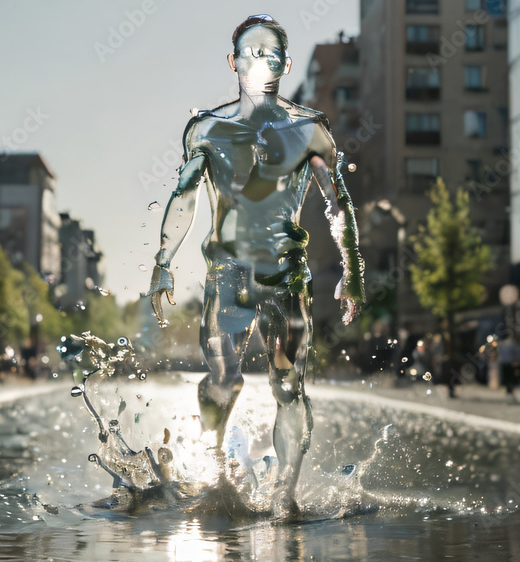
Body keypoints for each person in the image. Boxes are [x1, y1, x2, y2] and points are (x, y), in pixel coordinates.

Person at [145, 14, 366, 515]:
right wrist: (163, 261)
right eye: (250, 52)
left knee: (289, 384)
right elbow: (184, 199)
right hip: (227, 277)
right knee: (222, 378)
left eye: (270, 54)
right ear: (233, 62)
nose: (260, 62)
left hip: (287, 278)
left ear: (286, 64)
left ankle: (284, 494)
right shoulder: (208, 130)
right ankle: (215, 476)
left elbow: (339, 203)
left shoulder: (310, 131)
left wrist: (353, 270)